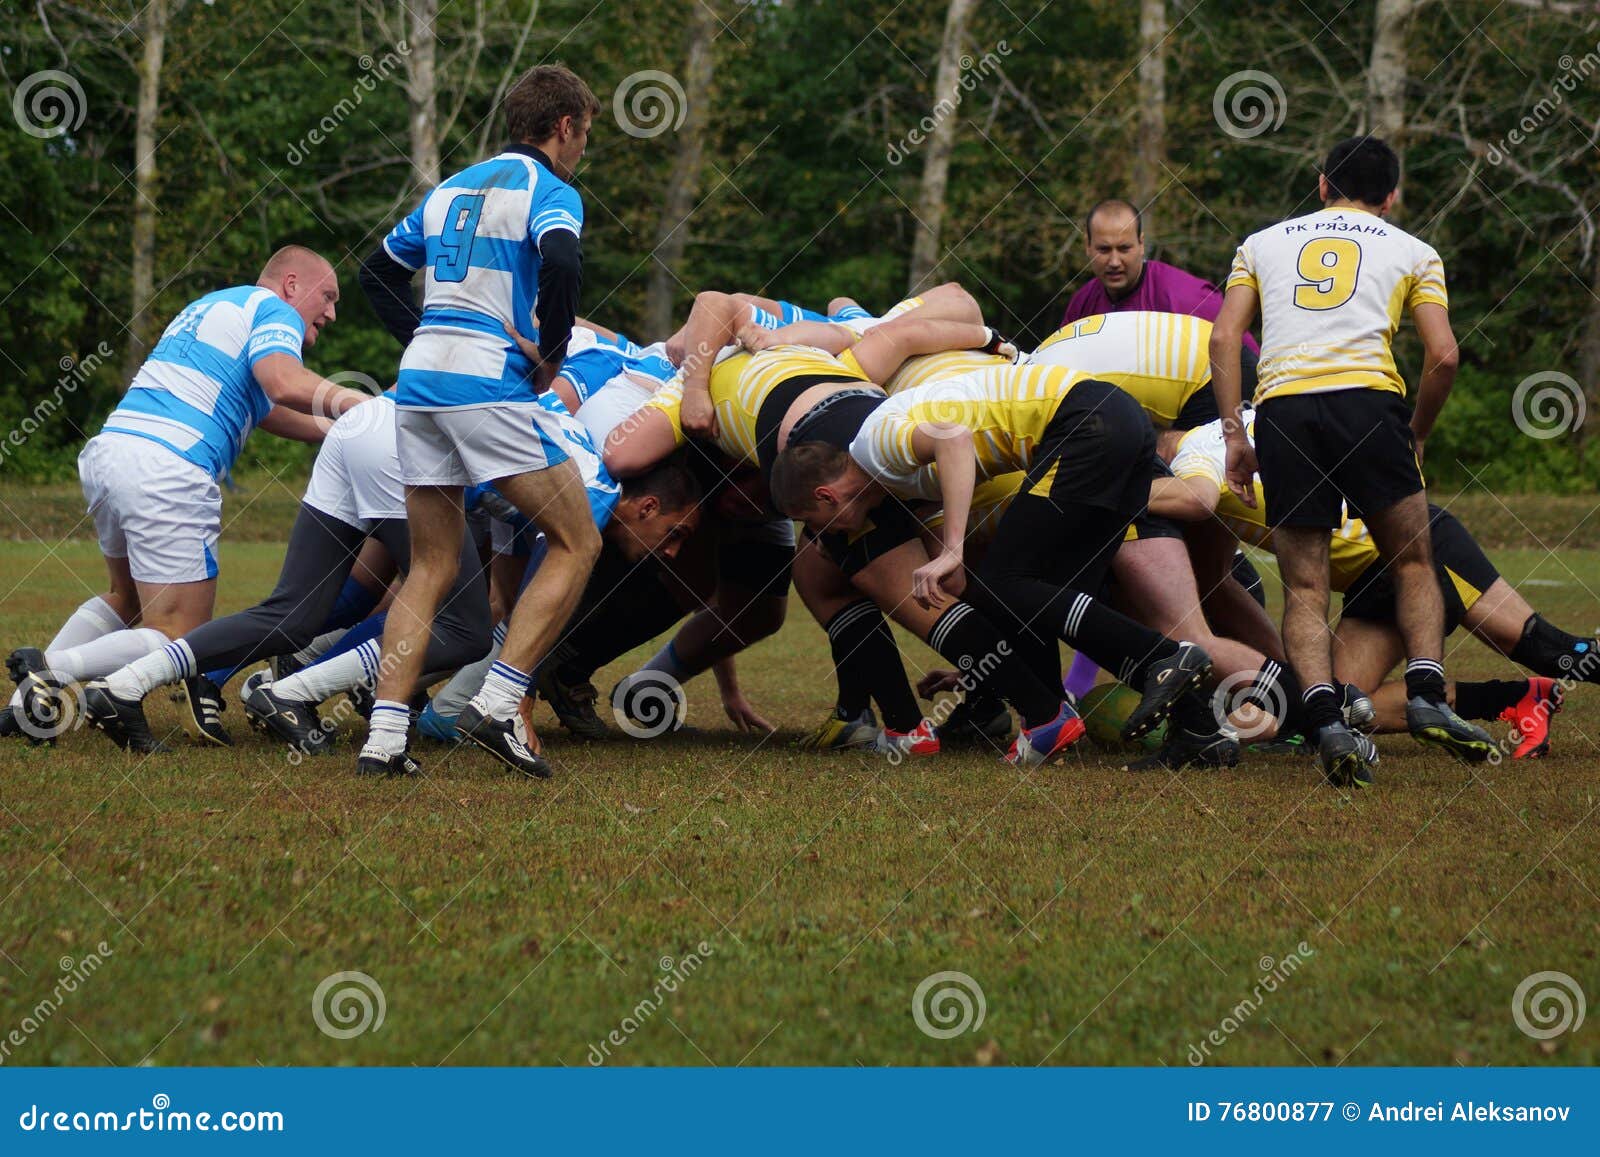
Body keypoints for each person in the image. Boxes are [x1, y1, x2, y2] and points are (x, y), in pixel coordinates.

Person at [1209, 135, 1493, 788]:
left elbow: (1225, 337)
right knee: (1414, 559)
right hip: (1368, 403)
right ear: (1392, 195)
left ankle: (1327, 723)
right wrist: (1415, 432)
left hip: (1284, 407)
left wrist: (1234, 435)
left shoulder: (1260, 243)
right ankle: (1425, 693)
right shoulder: (1416, 252)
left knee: (1305, 586)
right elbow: (1444, 355)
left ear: (1321, 184)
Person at [5, 247, 369, 742]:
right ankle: (51, 669)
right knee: (180, 633)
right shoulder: (274, 311)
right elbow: (282, 383)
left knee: (127, 598)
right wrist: (364, 404)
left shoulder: (216, 305)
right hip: (168, 467)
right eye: (327, 296)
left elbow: (266, 408)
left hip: (112, 452)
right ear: (290, 285)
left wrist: (339, 425)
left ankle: (26, 709)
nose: (331, 312)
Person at [771, 363, 1214, 767]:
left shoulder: (873, 448)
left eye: (812, 525)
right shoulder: (893, 480)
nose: (824, 543)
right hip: (1114, 421)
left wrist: (953, 549)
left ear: (825, 497)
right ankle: (1197, 734)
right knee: (1042, 605)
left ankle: (1166, 657)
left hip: (1083, 424)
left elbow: (953, 437)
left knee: (1008, 582)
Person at [354, 64, 603, 778]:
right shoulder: (549, 189)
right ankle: (499, 701)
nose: (582, 148)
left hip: (421, 383)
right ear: (563, 128)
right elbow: (560, 256)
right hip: (486, 382)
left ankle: (383, 738)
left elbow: (377, 272)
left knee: (430, 563)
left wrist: (428, 338)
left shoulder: (449, 189)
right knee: (576, 539)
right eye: (584, 134)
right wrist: (552, 354)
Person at [79, 390, 491, 756]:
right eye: (327, 298)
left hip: (366, 424)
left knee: (292, 614)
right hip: (408, 439)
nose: (330, 313)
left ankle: (123, 685)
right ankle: (292, 694)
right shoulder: (543, 348)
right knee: (464, 629)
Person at [1061, 199, 1259, 355]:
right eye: (1103, 250)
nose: (1114, 261)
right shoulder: (1082, 305)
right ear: (1088, 247)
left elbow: (1246, 353)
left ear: (1141, 244)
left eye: (1124, 248)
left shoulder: (1184, 297)